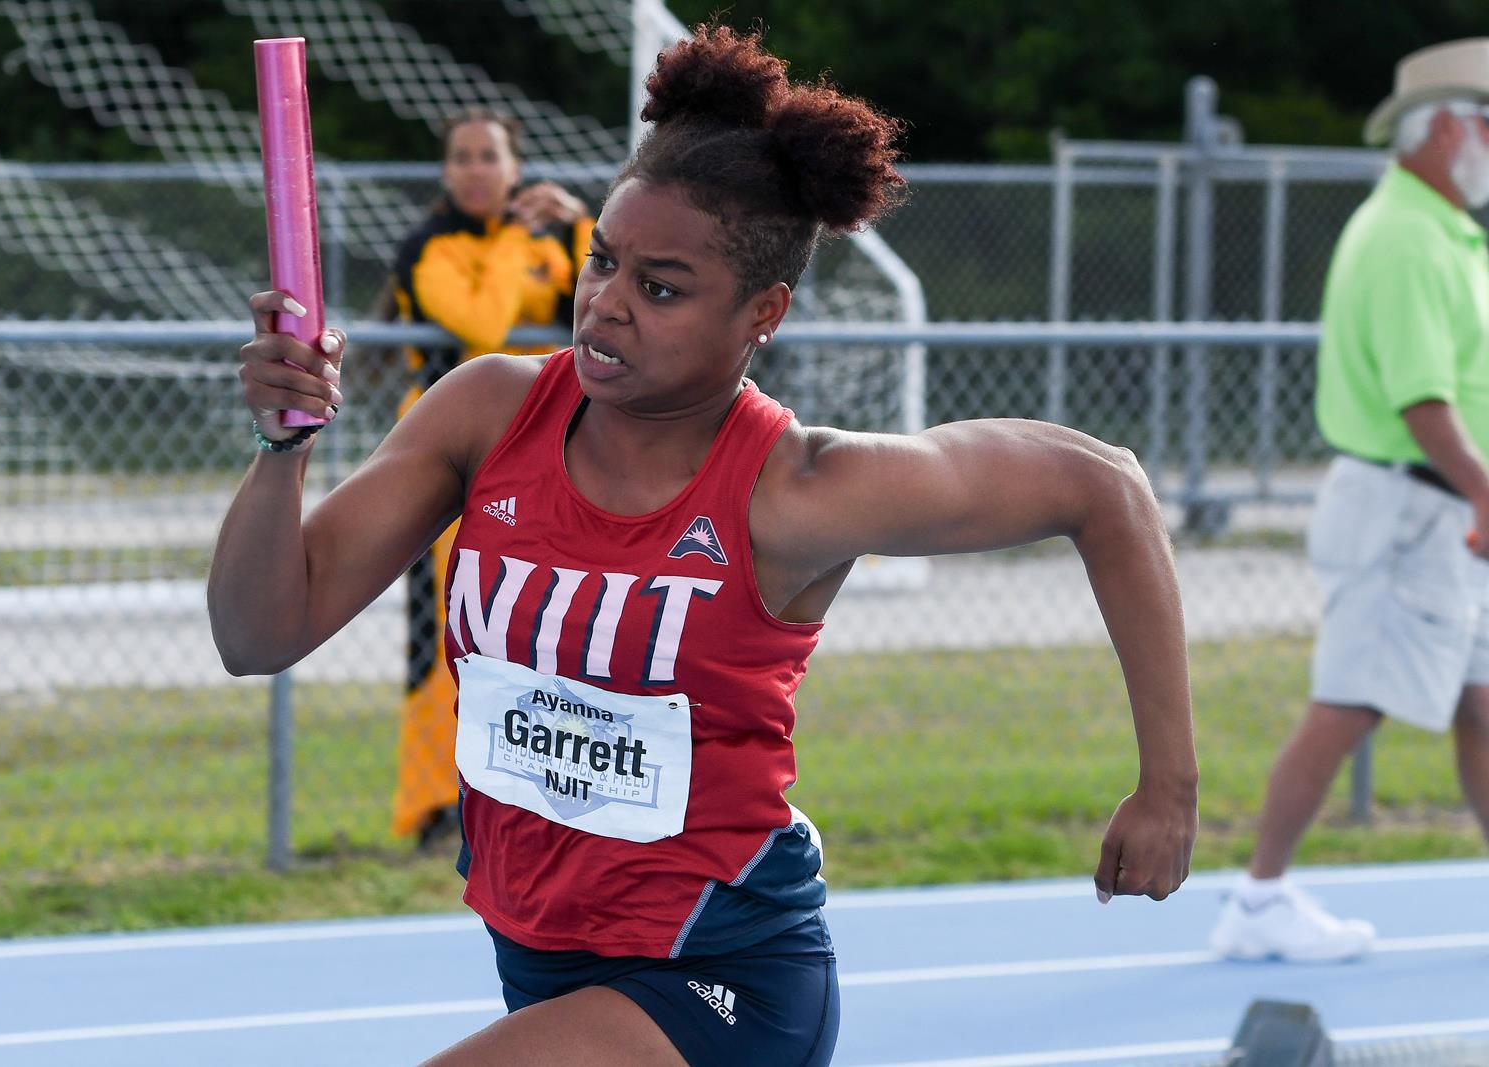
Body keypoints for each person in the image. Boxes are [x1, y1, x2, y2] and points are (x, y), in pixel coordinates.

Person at [210, 25, 1197, 1066]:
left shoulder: (797, 490)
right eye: (603, 260)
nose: (607, 304)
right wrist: (282, 449)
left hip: (716, 974)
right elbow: (257, 632)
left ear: (761, 311)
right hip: (539, 949)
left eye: (662, 287)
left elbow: (1106, 485)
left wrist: (1167, 787)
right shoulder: (487, 412)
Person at [1209, 39, 1489, 964]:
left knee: (1482, 702)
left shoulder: (1444, 229)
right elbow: (1424, 399)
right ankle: (1257, 899)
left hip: (1449, 512)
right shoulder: (1408, 235)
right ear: (1447, 128)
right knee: (1352, 698)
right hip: (1413, 508)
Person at [377, 108, 594, 848]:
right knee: (448, 629)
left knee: (545, 629)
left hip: (547, 451)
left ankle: (536, 795)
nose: (476, 169)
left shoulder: (552, 235)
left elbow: (606, 307)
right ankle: (436, 803)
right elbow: (484, 325)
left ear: (514, 166)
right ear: (446, 172)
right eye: (462, 157)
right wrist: (520, 241)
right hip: (450, 461)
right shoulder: (430, 245)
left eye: (489, 156)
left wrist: (578, 226)